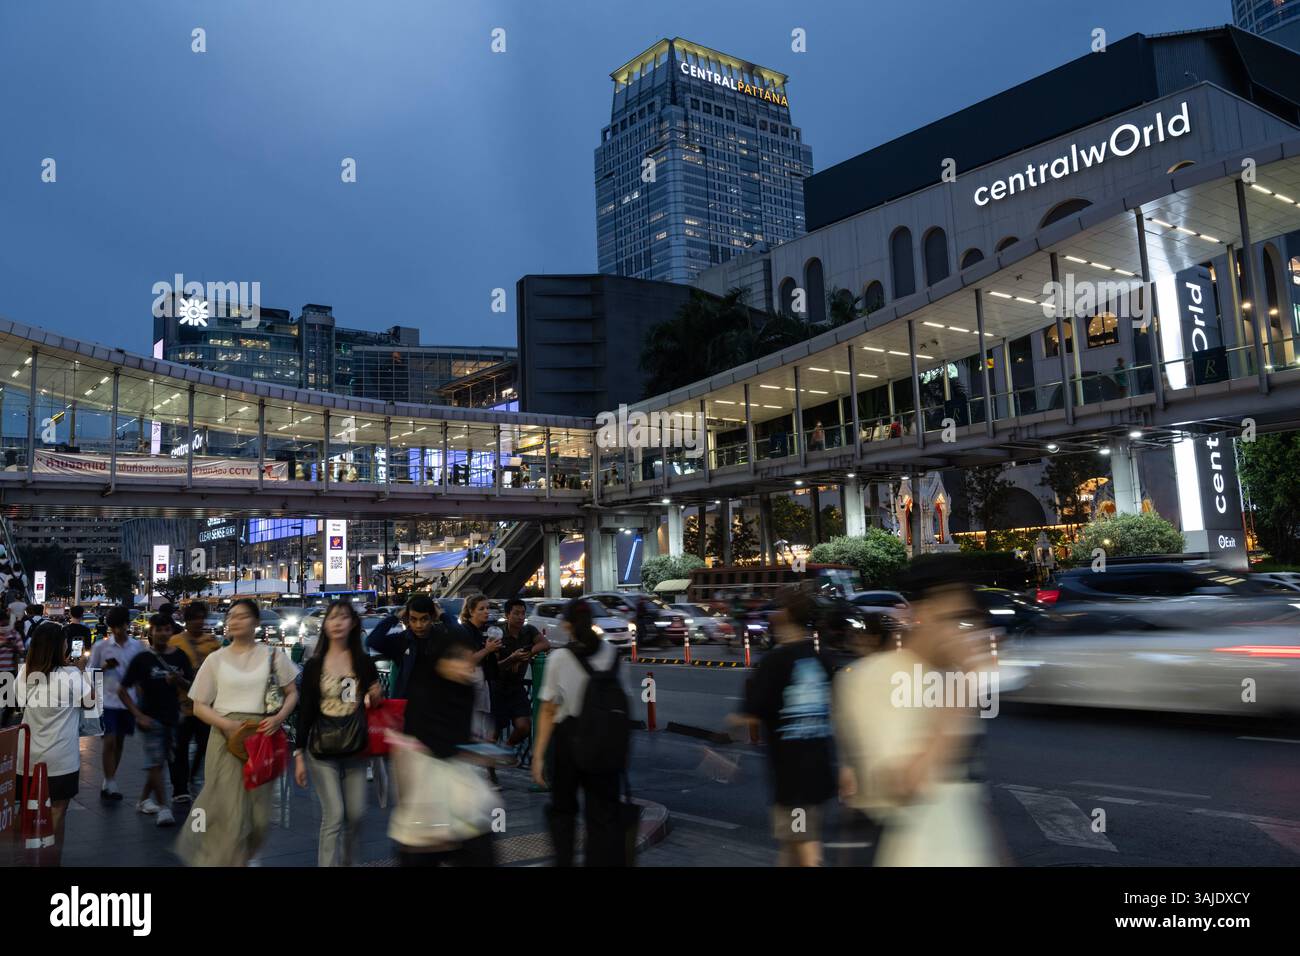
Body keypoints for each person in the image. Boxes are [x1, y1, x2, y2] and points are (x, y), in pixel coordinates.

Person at [841, 561, 999, 866]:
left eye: (967, 621)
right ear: (922, 614)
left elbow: (966, 790)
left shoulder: (948, 679)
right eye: (953, 619)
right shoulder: (876, 677)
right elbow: (903, 784)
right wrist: (962, 690)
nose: (962, 632)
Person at [175, 598, 299, 867]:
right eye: (231, 616)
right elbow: (199, 706)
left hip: (262, 738)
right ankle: (221, 859)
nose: (235, 620)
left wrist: (279, 718)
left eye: (242, 616)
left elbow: (292, 694)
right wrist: (228, 725)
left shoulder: (273, 655)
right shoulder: (215, 659)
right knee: (229, 811)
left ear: (255, 622)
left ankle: (241, 856)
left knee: (259, 816)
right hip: (226, 738)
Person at [734, 586, 836, 867]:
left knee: (805, 846)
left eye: (777, 608)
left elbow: (748, 715)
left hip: (793, 780)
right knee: (792, 846)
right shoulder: (822, 659)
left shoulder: (775, 662)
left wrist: (724, 744)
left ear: (785, 615)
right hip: (819, 769)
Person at [393, 604, 494, 866]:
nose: (464, 666)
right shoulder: (422, 694)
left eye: (466, 657)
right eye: (455, 658)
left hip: (463, 800)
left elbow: (459, 739)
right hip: (425, 804)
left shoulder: (465, 689)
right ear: (440, 659)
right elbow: (410, 757)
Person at [531, 598, 626, 867]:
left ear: (566, 625)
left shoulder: (559, 658)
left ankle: (565, 861)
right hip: (605, 744)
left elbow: (548, 711)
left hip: (568, 742)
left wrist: (538, 757)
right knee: (602, 814)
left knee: (563, 812)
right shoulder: (612, 654)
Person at [293, 601, 381, 867]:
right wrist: (299, 753)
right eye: (332, 618)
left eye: (343, 617)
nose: (338, 622)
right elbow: (305, 711)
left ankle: (349, 862)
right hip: (321, 747)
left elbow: (371, 701)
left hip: (354, 745)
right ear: (325, 625)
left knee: (355, 815)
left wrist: (374, 696)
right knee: (334, 815)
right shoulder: (314, 666)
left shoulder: (363, 663)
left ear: (353, 623)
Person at [16, 622, 95, 865]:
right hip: (61, 757)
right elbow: (91, 703)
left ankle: (22, 857)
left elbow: (20, 705)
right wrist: (81, 670)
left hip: (26, 756)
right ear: (59, 645)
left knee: (24, 810)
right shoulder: (70, 674)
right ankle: (50, 860)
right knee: (58, 811)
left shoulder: (24, 672)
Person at [118, 614, 193, 827]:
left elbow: (191, 686)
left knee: (158, 764)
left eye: (166, 629)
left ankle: (143, 800)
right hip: (150, 718)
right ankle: (163, 807)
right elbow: (123, 690)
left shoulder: (180, 657)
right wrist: (138, 714)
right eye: (158, 629)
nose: (162, 633)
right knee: (155, 763)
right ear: (151, 632)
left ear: (172, 631)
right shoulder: (143, 659)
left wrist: (180, 681)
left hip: (174, 717)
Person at [830, 611, 893, 866]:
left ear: (875, 638)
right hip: (893, 786)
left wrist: (847, 769)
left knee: (858, 852)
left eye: (861, 632)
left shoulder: (853, 675)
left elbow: (847, 729)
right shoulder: (904, 673)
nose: (855, 637)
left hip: (869, 784)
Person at [87, 605, 145, 801]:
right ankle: (111, 783)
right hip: (107, 700)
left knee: (119, 741)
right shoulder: (101, 647)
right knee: (109, 739)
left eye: (120, 626)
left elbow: (139, 675)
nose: (118, 631)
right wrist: (104, 666)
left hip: (127, 701)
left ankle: (108, 779)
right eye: (114, 627)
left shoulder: (137, 647)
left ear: (126, 625)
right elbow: (90, 673)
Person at [168, 601, 220, 807]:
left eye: (201, 617)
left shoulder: (212, 642)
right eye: (194, 618)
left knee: (206, 745)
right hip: (182, 705)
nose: (198, 621)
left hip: (206, 704)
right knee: (179, 748)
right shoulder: (175, 642)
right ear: (186, 620)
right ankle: (180, 788)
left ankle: (191, 775)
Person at [491, 598, 548, 754]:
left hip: (517, 687)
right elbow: (493, 667)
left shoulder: (528, 630)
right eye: (516, 613)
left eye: (523, 613)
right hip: (498, 688)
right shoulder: (497, 632)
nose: (520, 617)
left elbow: (544, 643)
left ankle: (507, 748)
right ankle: (491, 768)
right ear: (507, 615)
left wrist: (527, 654)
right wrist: (512, 659)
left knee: (524, 726)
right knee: (494, 732)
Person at [0, 610, 23, 727]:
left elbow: (21, 651)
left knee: (10, 702)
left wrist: (13, 647)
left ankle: (4, 725)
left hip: (9, 671)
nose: (3, 626)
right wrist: (2, 645)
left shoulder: (14, 634)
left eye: (5, 623)